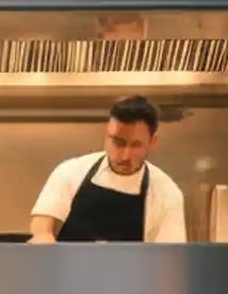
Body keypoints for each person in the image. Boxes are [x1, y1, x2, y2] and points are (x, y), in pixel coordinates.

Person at [29, 95, 186, 243]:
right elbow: (41, 231)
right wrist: (43, 241)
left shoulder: (167, 194)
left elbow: (168, 259)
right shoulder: (70, 172)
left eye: (135, 145)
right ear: (107, 134)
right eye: (118, 142)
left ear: (153, 141)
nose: (125, 155)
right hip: (67, 271)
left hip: (131, 272)